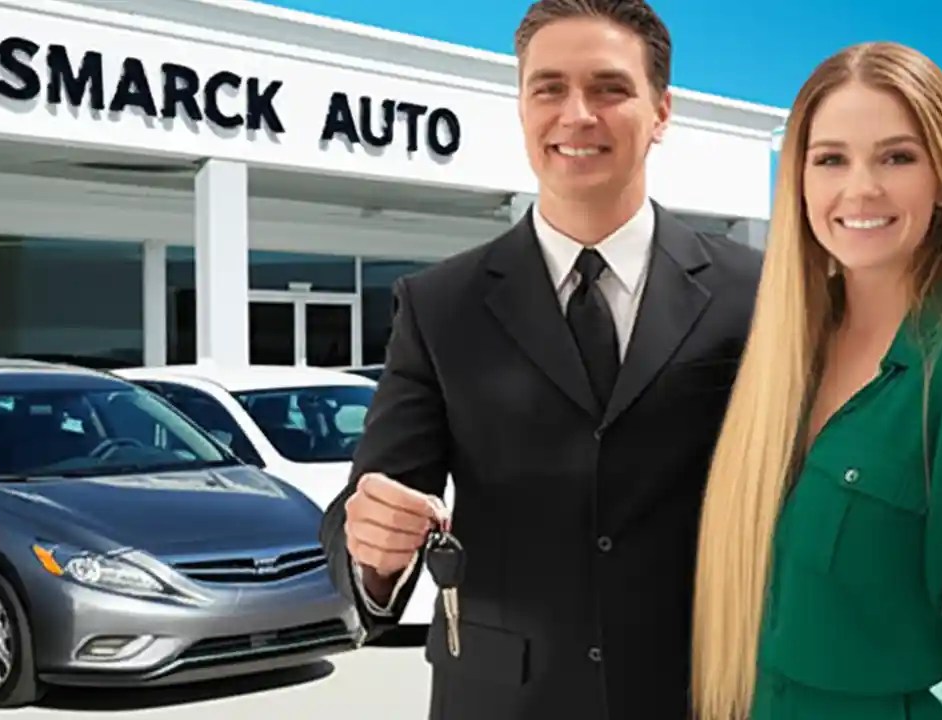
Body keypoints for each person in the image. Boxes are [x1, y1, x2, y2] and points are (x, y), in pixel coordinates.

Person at [317, 1, 762, 718]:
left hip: (700, 692)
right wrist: (371, 549)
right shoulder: (439, 306)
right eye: (548, 88)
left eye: (610, 88)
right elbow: (374, 498)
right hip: (501, 698)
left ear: (662, 111)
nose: (576, 114)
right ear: (521, 106)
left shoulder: (755, 294)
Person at [689, 41, 942, 720]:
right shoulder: (789, 345)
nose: (861, 189)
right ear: (799, 180)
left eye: (897, 156)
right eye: (831, 158)